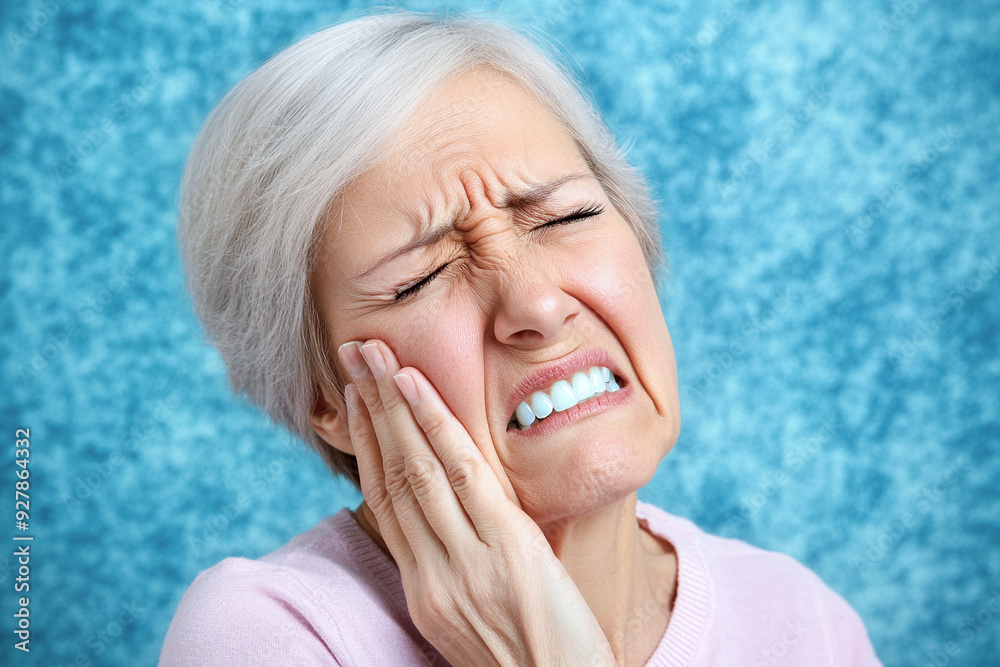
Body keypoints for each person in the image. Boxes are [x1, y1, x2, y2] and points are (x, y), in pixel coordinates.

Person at [160, 9, 881, 666]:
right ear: (325, 396)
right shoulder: (268, 634)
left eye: (566, 217)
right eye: (423, 276)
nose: (536, 303)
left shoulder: (802, 619)